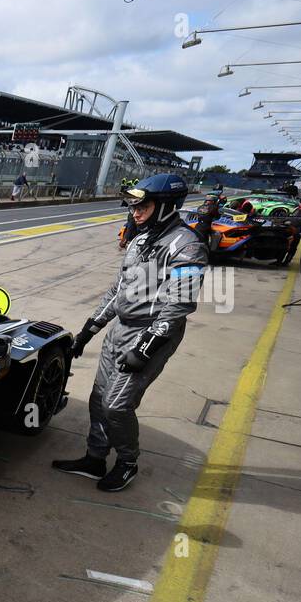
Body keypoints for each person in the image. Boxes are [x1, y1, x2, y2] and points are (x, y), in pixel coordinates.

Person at [53, 174, 207, 492]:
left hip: (152, 334)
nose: (135, 213)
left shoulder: (188, 246)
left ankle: (127, 462)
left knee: (117, 405)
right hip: (120, 329)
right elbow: (118, 291)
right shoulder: (139, 240)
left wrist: (147, 347)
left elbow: (180, 305)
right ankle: (95, 459)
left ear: (164, 206)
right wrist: (89, 330)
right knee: (98, 400)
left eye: (143, 206)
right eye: (134, 206)